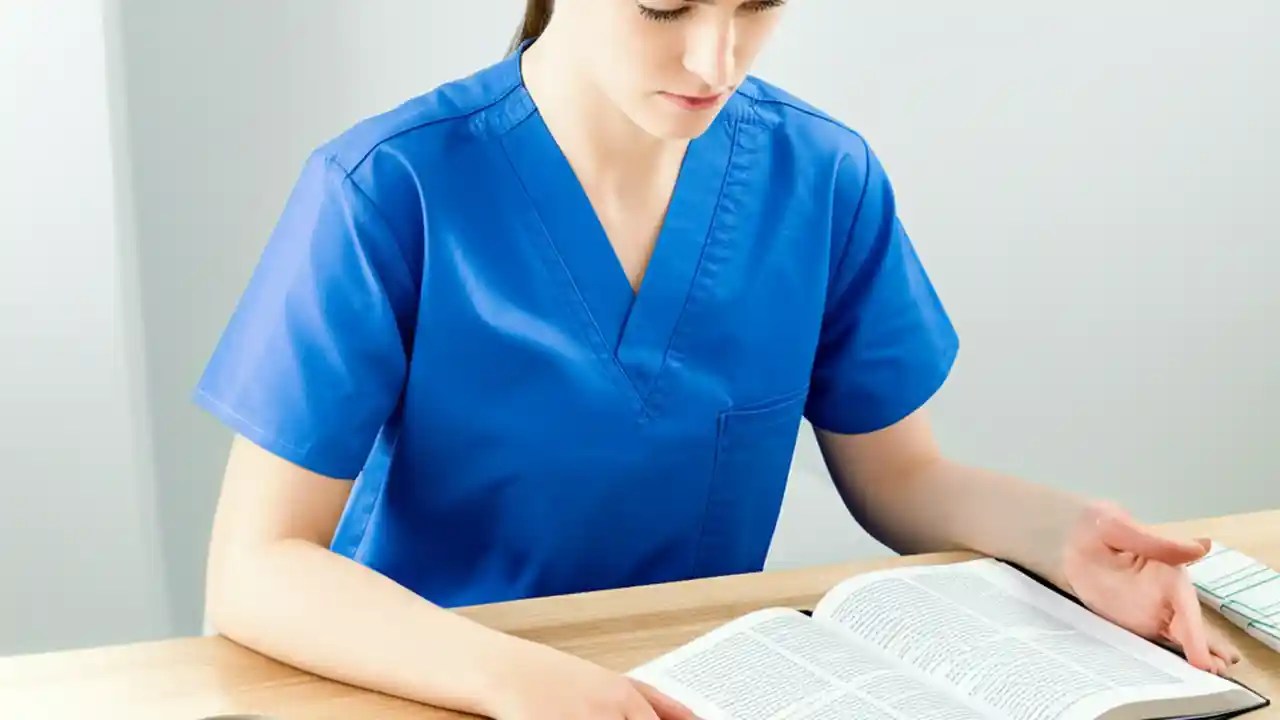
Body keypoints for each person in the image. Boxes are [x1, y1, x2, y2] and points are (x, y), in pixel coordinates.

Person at [194, 1, 1240, 718]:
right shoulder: (385, 193)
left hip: (698, 691)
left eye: (754, 5)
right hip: (429, 687)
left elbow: (899, 477)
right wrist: (514, 681)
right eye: (664, 8)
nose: (716, 59)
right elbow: (254, 571)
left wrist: (1064, 541)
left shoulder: (819, 177)